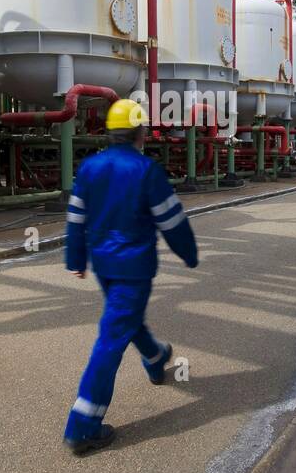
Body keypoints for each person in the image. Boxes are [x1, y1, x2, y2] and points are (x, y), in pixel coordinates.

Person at [62, 98, 199, 454]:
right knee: (111, 338)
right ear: (141, 132)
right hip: (134, 268)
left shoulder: (90, 167)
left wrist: (76, 258)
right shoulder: (145, 170)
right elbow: (171, 220)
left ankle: (155, 358)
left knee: (124, 320)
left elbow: (76, 218)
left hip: (104, 265)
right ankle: (84, 426)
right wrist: (189, 254)